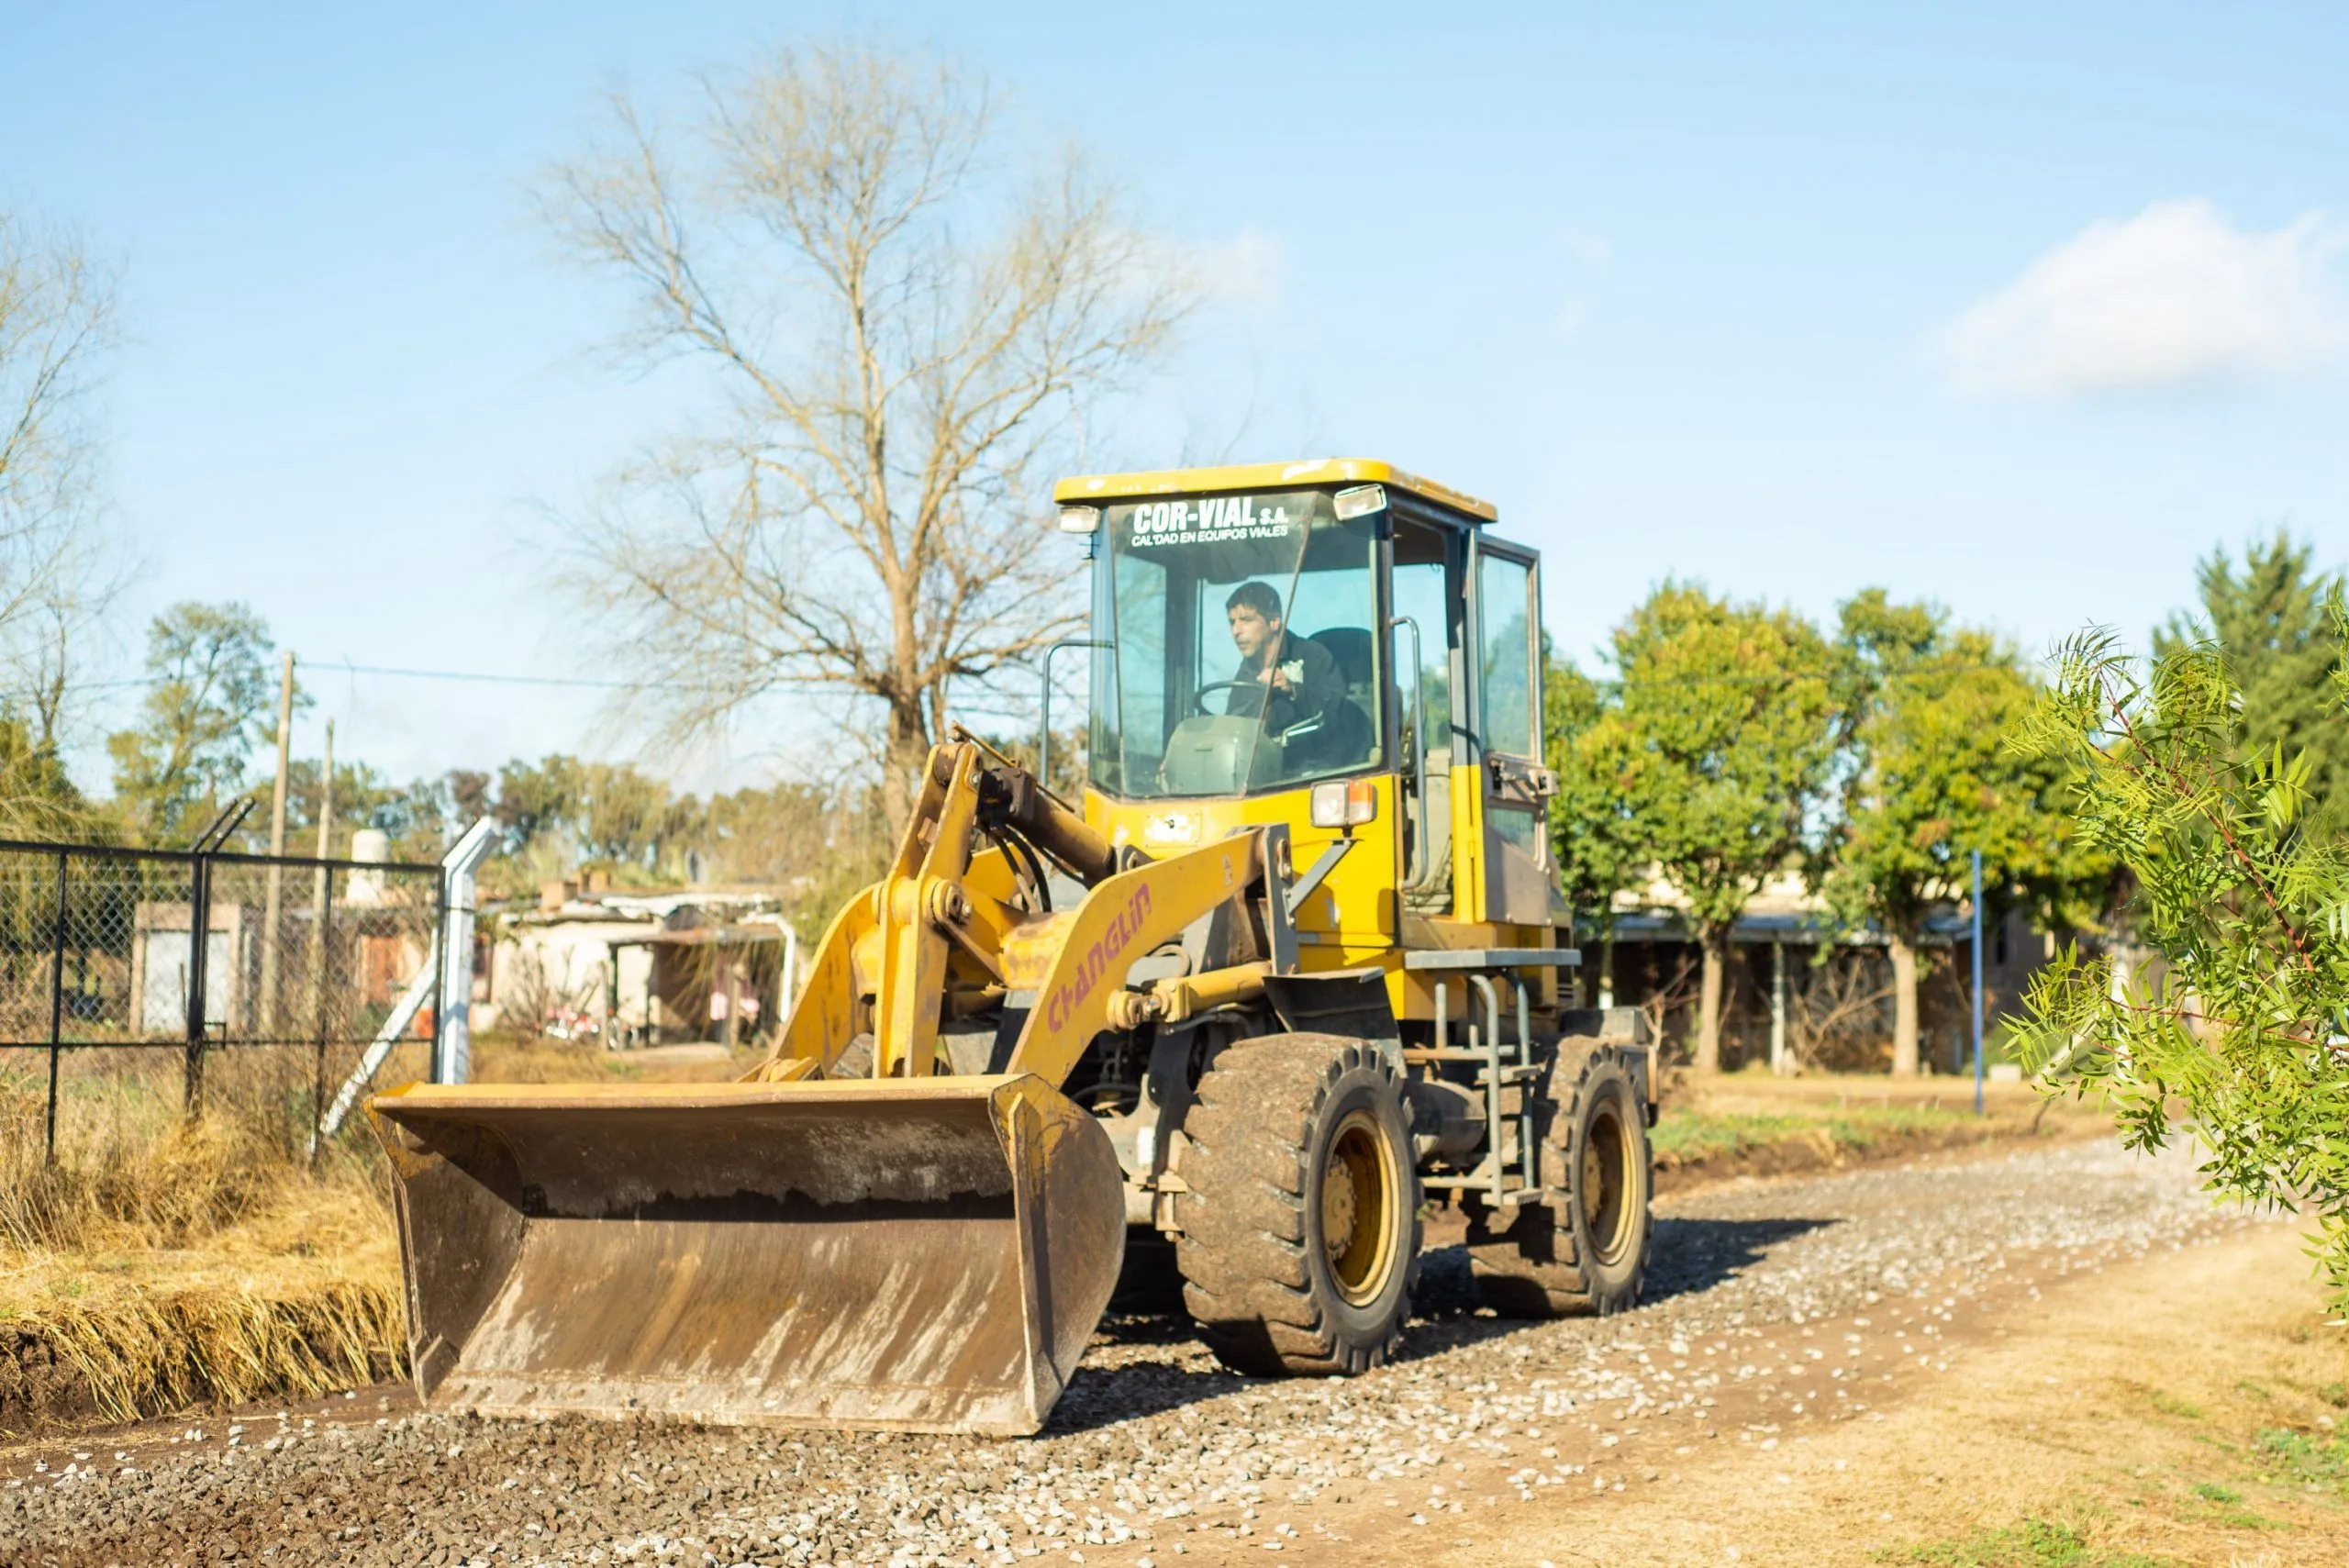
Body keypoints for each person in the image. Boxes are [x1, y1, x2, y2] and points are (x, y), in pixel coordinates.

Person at [1221, 581, 1353, 769]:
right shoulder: (1244, 675)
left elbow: (1338, 713)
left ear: (1274, 622)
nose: (1236, 631)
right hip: (1263, 772)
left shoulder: (1312, 656)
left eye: (1246, 619)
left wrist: (1292, 689)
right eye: (1232, 622)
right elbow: (1233, 730)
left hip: (1316, 768)